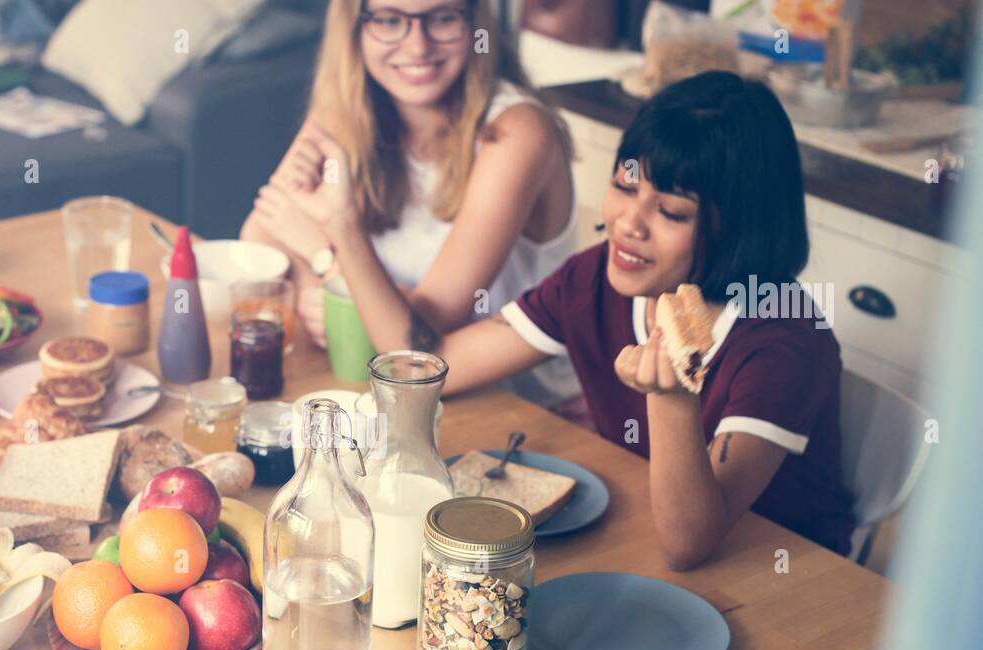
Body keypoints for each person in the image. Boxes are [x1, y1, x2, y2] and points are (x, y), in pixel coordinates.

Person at [292, 70, 854, 568]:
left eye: (671, 212)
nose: (628, 224)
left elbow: (689, 543)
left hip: (788, 580)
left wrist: (672, 397)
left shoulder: (782, 339)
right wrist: (341, 226)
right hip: (637, 536)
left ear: (740, 228)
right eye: (624, 187)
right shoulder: (594, 280)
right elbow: (436, 368)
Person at [241, 0, 581, 407]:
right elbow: (261, 240)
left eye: (442, 17)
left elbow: (416, 335)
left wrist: (323, 260)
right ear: (356, 29)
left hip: (516, 409)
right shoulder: (345, 110)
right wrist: (335, 297)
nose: (417, 46)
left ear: (474, 22)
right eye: (389, 19)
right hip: (391, 390)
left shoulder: (518, 133)